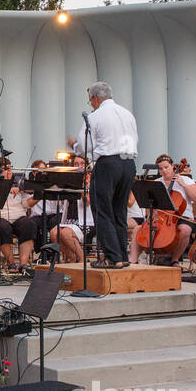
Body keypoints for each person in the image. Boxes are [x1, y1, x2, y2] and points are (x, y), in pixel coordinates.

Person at [74, 82, 138, 268]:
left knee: (102, 210)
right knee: (119, 210)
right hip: (128, 163)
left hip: (108, 163)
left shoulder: (95, 116)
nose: (91, 105)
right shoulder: (127, 114)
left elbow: (84, 144)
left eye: (90, 101)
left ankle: (112, 257)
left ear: (95, 98)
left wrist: (76, 147)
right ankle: (122, 256)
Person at [129, 155, 196, 265]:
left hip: (182, 216)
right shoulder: (157, 182)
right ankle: (132, 261)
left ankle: (175, 260)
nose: (163, 171)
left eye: (166, 167)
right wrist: (153, 213)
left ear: (173, 166)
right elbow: (151, 204)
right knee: (137, 230)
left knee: (185, 230)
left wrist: (183, 185)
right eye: (160, 168)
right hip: (160, 218)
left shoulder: (186, 180)